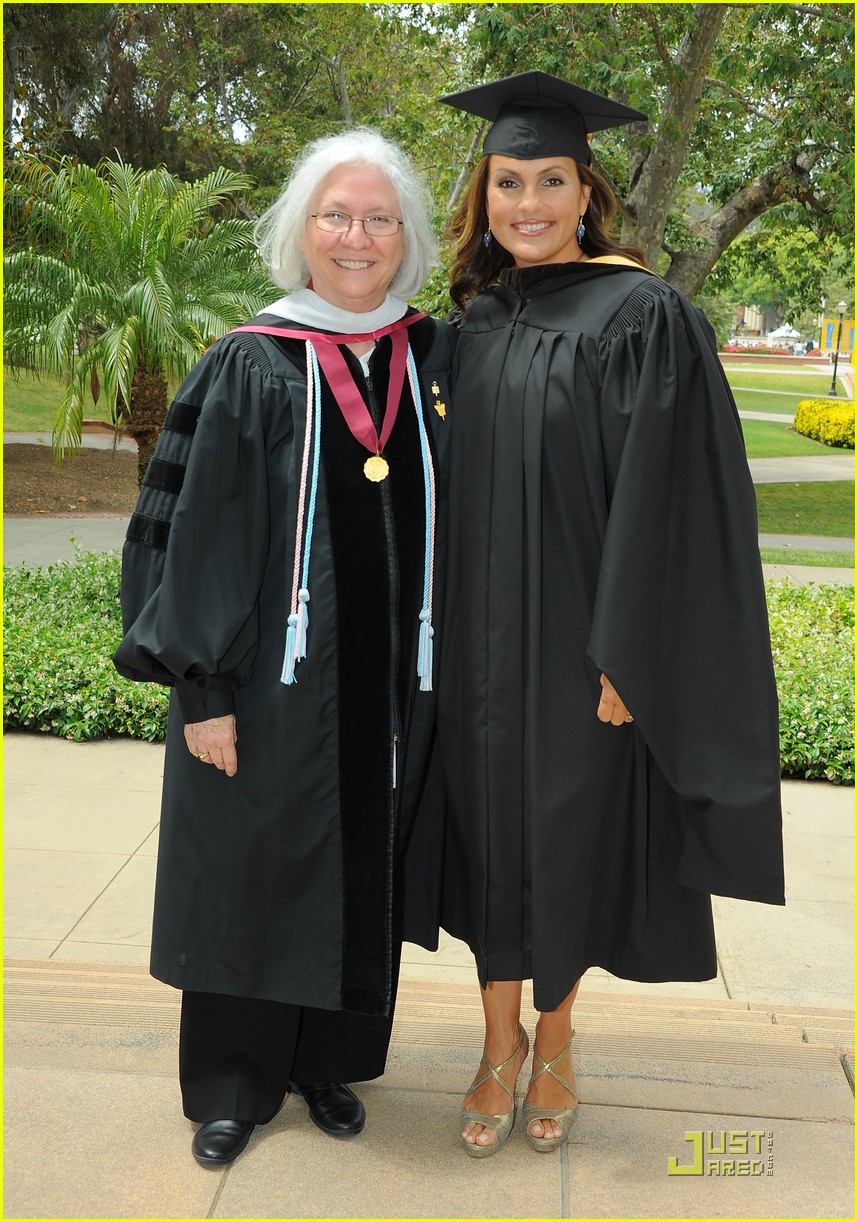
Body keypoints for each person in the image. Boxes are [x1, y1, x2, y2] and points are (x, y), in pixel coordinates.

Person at [436, 71, 785, 1157]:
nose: (527, 202)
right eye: (508, 181)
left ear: (586, 191)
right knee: (483, 838)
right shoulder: (472, 324)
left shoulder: (642, 315)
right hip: (468, 646)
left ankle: (557, 1037)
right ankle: (494, 1046)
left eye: (550, 180)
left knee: (564, 843)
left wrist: (631, 652)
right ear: (482, 194)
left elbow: (671, 499)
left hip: (578, 646)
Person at [113, 127, 454, 1168]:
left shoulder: (432, 360)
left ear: (408, 239)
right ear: (301, 232)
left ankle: (326, 1062)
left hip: (392, 685)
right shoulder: (250, 362)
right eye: (336, 215)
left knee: (359, 862)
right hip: (264, 685)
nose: (357, 236)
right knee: (251, 866)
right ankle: (234, 1080)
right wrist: (203, 686)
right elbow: (195, 532)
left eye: (379, 218)